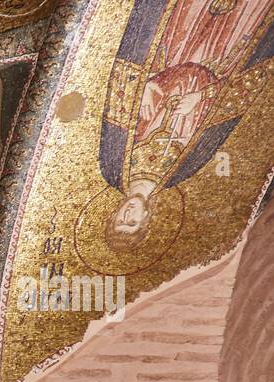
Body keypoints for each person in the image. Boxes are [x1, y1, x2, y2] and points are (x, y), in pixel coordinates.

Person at [96, 0, 274, 251]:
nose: (128, 215)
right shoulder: (186, 169)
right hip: (224, 54)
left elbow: (116, 100)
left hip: (173, 46)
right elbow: (234, 106)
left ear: (113, 215)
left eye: (120, 220)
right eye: (132, 222)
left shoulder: (112, 167)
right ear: (145, 219)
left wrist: (143, 85)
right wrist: (201, 97)